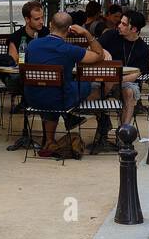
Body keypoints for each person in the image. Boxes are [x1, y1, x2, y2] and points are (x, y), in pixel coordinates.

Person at [25, 12, 106, 158]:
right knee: (87, 84)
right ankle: (71, 115)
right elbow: (100, 55)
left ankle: (49, 140)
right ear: (69, 29)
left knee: (53, 90)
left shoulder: (32, 45)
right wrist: (87, 34)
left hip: (33, 98)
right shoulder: (70, 49)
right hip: (60, 99)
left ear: (50, 25)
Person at [99, 9, 149, 127]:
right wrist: (102, 51)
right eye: (120, 22)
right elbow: (92, 48)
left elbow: (137, 74)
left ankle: (124, 132)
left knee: (129, 92)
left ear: (134, 29)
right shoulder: (111, 35)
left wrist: (115, 80)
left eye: (123, 24)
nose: (119, 26)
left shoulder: (144, 50)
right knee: (93, 87)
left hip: (125, 82)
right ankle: (102, 123)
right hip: (104, 79)